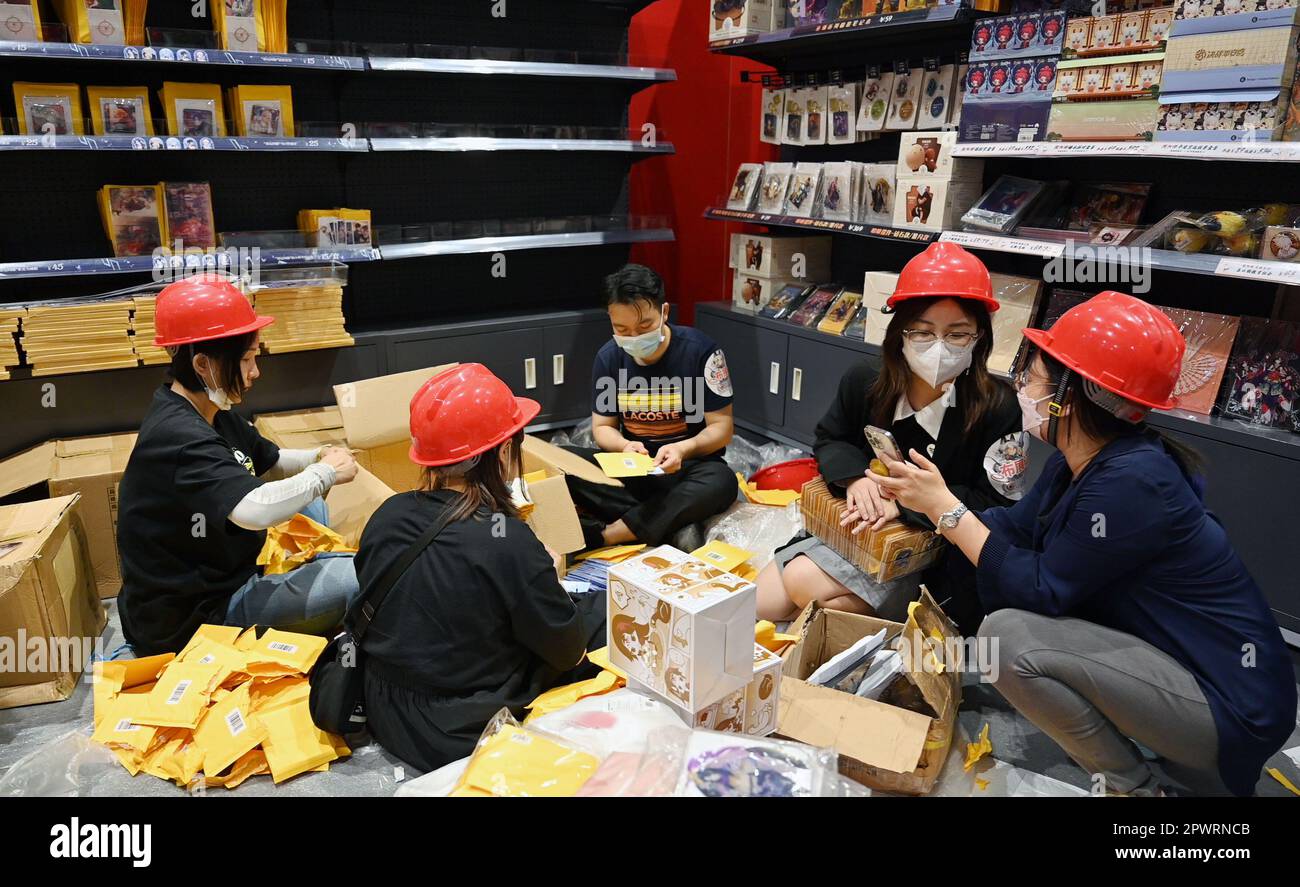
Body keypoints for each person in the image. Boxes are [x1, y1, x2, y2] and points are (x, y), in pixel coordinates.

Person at [867, 290, 1296, 796]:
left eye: (1037, 372)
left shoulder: (1132, 482)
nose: (1023, 384)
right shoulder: (1078, 463)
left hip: (1228, 703)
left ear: (1069, 393)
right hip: (1177, 667)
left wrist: (946, 509)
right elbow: (1008, 530)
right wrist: (927, 502)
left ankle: (1132, 788)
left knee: (1006, 639)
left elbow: (1041, 590)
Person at [756, 243, 1026, 627]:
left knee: (802, 588)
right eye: (923, 332)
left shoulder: (1000, 407)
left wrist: (909, 503)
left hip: (933, 552)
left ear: (979, 338)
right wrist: (853, 480)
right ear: (900, 331)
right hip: (857, 529)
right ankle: (855, 623)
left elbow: (1000, 506)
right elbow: (831, 438)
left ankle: (903, 622)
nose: (939, 346)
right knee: (761, 604)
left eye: (957, 334)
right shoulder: (866, 380)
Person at [356, 363, 605, 773]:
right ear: (504, 451)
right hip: (456, 729)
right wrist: (548, 577)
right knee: (599, 613)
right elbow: (566, 650)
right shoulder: (508, 541)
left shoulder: (387, 513)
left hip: (385, 707)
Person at [117, 276, 361, 655]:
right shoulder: (179, 436)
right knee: (358, 578)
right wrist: (324, 473)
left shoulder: (210, 408)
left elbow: (273, 462)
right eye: (246, 359)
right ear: (203, 364)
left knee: (311, 502)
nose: (255, 372)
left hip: (229, 566)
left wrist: (316, 458)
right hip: (195, 616)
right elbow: (251, 511)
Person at [563, 264, 739, 549]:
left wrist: (684, 449)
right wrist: (623, 446)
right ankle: (668, 522)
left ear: (665, 313)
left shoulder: (702, 351)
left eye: (644, 326)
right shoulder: (609, 357)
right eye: (622, 329)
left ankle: (608, 535)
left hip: (688, 470)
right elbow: (603, 427)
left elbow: (722, 428)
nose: (633, 338)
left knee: (722, 482)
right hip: (634, 471)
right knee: (562, 465)